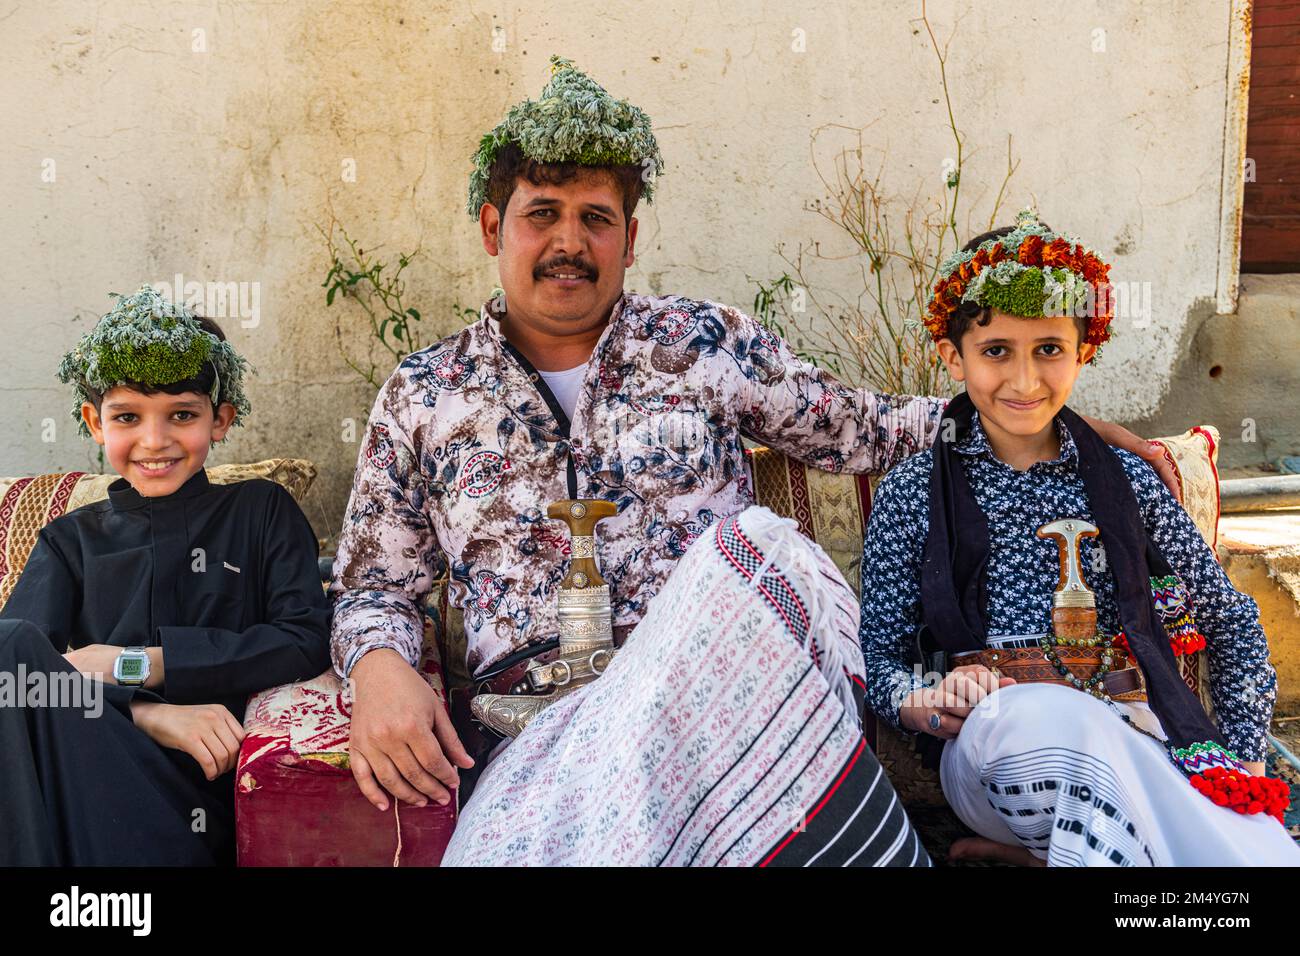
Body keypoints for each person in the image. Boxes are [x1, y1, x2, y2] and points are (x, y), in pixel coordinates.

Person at [330, 57, 1176, 866]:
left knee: (768, 551)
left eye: (596, 218)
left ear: (631, 237)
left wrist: (1044, 413)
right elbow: (375, 582)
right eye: (541, 213)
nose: (569, 242)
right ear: (492, 227)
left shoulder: (702, 344)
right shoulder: (427, 392)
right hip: (541, 725)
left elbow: (867, 429)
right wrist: (379, 668)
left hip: (721, 699)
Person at [858, 211, 1299, 866]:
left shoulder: (1126, 480)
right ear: (954, 356)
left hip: (1137, 734)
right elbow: (881, 658)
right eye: (996, 351)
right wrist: (921, 702)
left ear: (1083, 349)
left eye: (1049, 350)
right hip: (996, 743)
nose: (1026, 380)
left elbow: (1229, 621)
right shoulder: (914, 490)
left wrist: (1237, 763)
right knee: (1071, 735)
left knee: (1256, 847)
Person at [0, 285, 332, 865]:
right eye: (127, 417)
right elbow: (18, 677)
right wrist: (144, 711)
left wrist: (142, 663)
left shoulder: (259, 511)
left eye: (182, 414)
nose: (155, 441)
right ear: (95, 423)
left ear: (221, 419)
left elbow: (304, 638)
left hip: (203, 790)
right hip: (92, 768)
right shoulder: (71, 538)